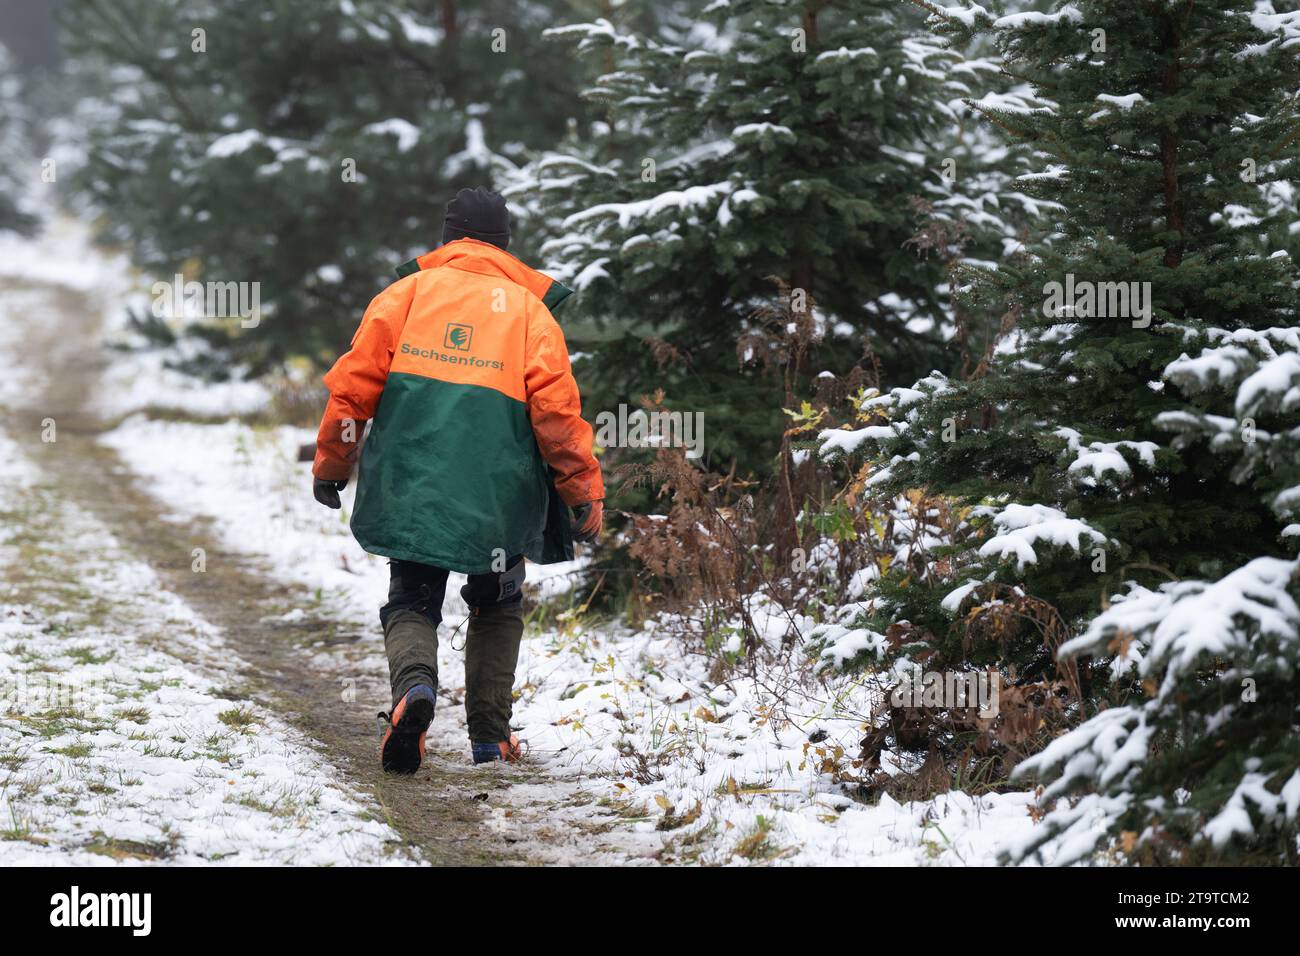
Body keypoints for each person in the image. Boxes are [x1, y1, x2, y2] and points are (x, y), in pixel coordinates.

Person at [311, 187, 603, 774]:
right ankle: (491, 739)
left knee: (413, 597)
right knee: (496, 602)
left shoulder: (404, 296)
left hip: (410, 486)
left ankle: (414, 691)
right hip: (498, 495)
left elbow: (352, 394)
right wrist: (582, 489)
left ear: (447, 237)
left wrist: (333, 464)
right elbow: (557, 417)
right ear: (505, 243)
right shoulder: (529, 313)